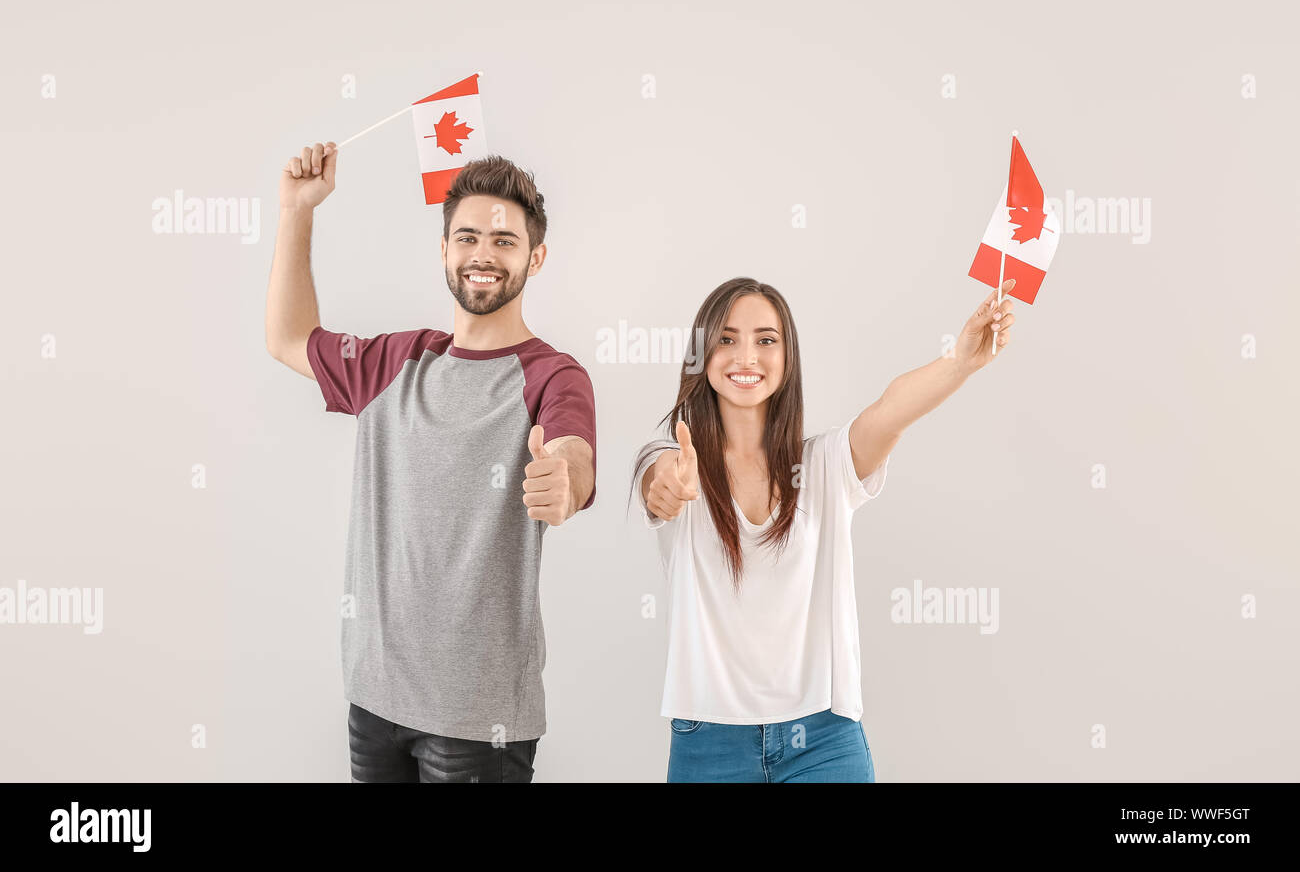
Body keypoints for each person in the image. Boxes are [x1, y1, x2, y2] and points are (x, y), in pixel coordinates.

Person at [266, 141, 597, 782]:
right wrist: (296, 210)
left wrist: (567, 480)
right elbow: (286, 337)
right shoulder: (395, 361)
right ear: (444, 250)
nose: (483, 254)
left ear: (536, 256)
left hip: (480, 721)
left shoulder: (553, 376)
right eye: (467, 237)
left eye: (504, 241)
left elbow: (571, 451)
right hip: (373, 695)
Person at [632, 275, 1016, 782]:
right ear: (700, 357)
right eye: (726, 339)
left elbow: (890, 411)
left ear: (787, 359)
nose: (746, 356)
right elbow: (657, 483)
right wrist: (667, 486)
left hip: (823, 738)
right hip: (710, 742)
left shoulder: (824, 465)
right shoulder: (672, 460)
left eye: (766, 340)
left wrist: (960, 361)